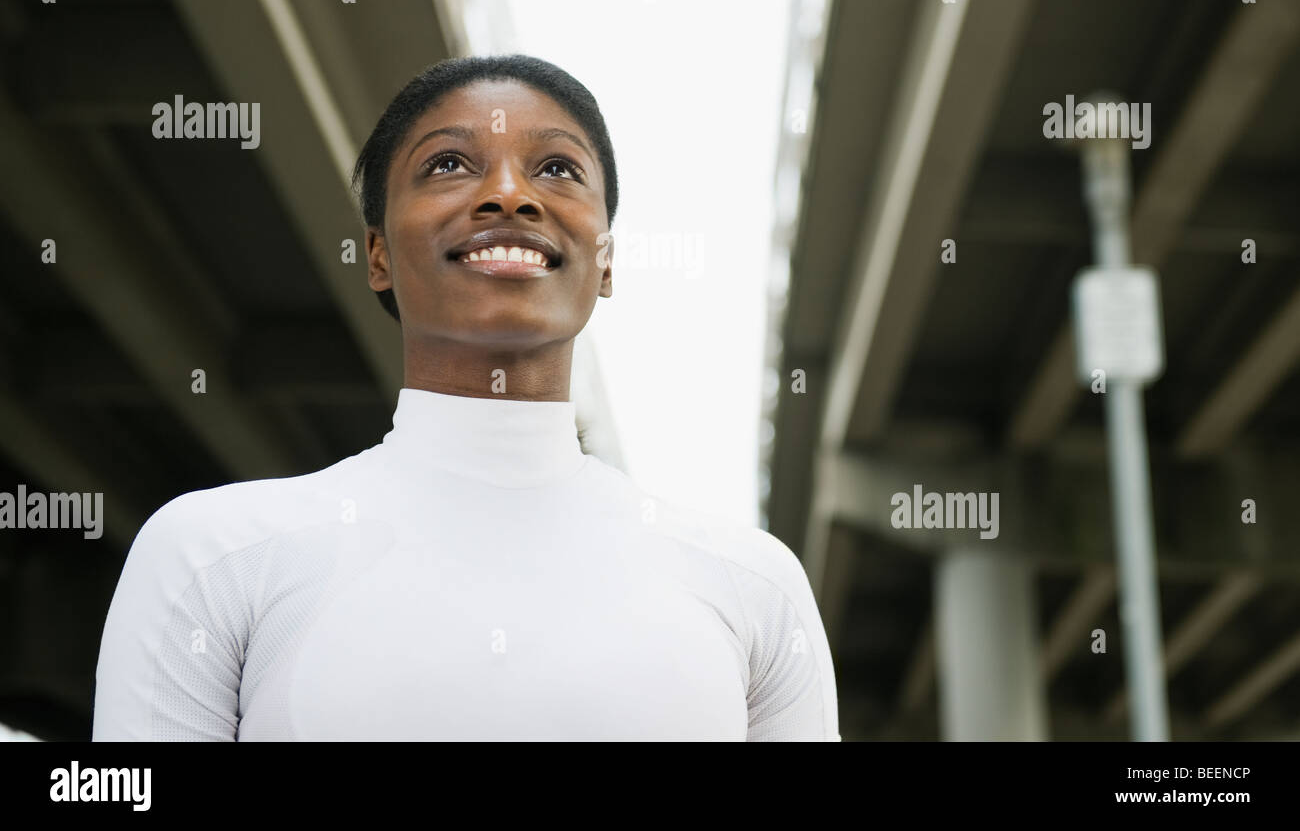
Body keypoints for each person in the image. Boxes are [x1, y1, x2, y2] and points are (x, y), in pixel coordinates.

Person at [92, 54, 840, 741]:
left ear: (606, 260)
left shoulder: (755, 587)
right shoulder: (211, 557)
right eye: (449, 164)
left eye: (556, 169)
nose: (509, 195)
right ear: (377, 253)